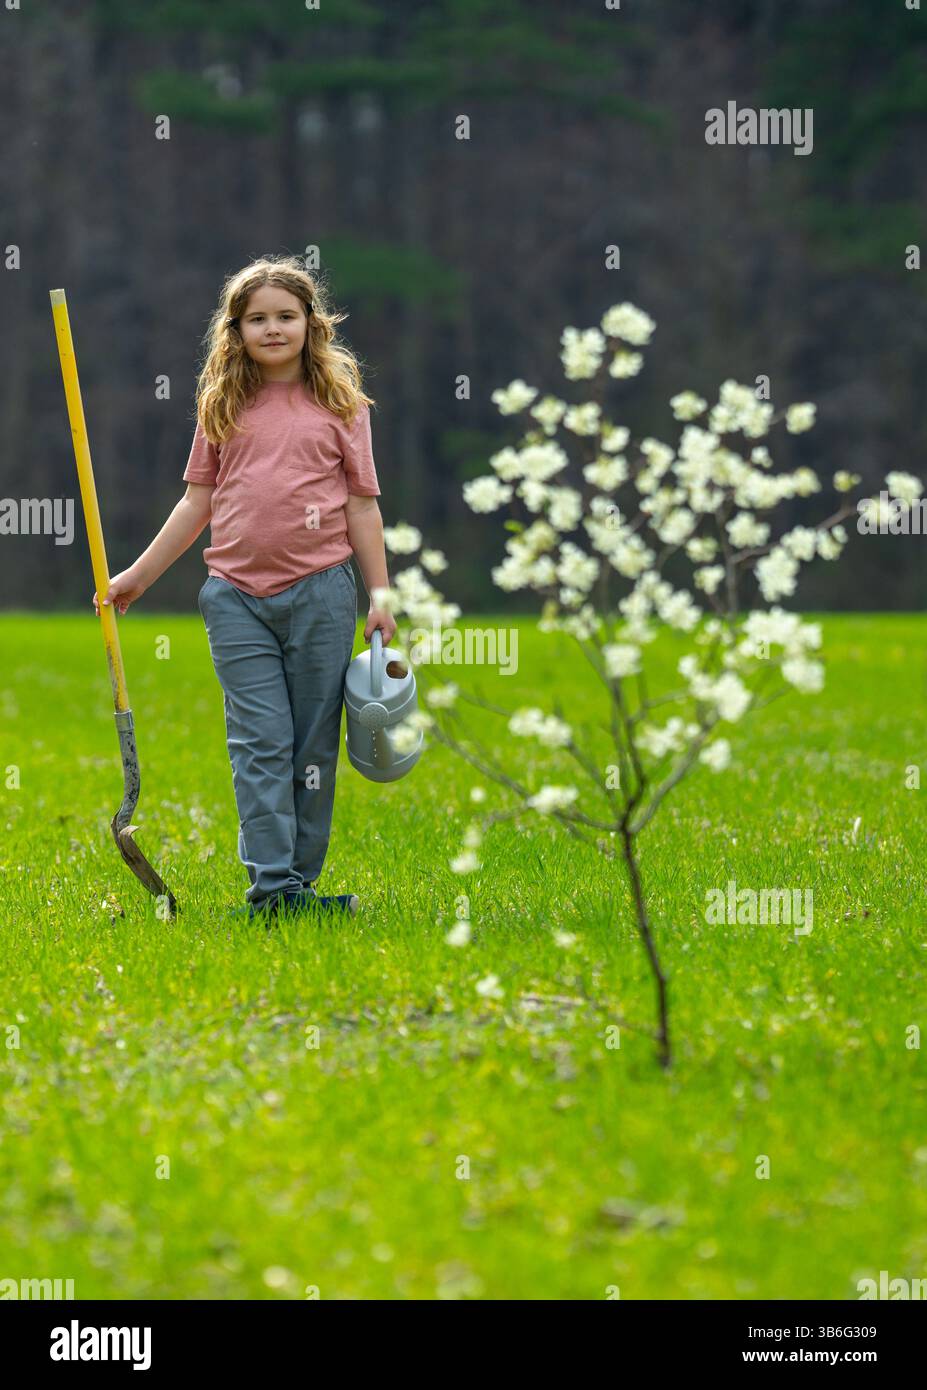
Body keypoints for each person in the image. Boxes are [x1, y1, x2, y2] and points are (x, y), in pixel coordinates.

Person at [92, 255, 396, 922]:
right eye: (256, 318)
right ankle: (270, 888)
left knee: (310, 747)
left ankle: (296, 887)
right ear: (236, 330)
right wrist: (136, 576)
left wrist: (379, 595)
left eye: (285, 315)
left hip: (321, 593)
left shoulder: (342, 406)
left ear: (310, 324)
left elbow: (362, 507)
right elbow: (196, 503)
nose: (273, 328)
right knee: (260, 742)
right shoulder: (222, 404)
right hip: (234, 598)